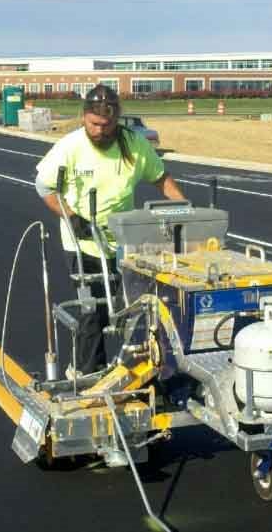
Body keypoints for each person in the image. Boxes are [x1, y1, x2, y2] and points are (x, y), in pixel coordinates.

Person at [35, 84, 185, 378]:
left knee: (137, 308)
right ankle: (86, 372)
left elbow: (161, 177)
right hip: (83, 241)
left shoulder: (133, 144)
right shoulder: (70, 147)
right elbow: (44, 187)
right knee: (93, 310)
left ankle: (140, 369)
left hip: (125, 241)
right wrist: (72, 217)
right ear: (84, 117)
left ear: (116, 119)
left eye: (107, 125)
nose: (100, 131)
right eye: (94, 124)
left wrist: (185, 210)